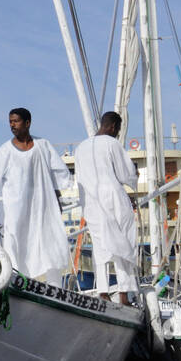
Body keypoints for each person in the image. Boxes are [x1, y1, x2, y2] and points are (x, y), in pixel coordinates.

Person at [0, 108, 72, 280]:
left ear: (27, 123)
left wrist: (57, 197)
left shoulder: (43, 145)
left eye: (16, 121)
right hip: (17, 207)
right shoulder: (5, 151)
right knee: (15, 238)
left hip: (43, 205)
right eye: (10, 121)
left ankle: (54, 283)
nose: (12, 125)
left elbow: (59, 171)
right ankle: (16, 278)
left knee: (49, 238)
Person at [73, 110, 138, 305]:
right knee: (123, 241)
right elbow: (125, 174)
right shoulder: (112, 143)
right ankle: (124, 294)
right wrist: (135, 174)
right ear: (113, 126)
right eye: (117, 129)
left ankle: (102, 292)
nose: (117, 133)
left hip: (91, 202)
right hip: (112, 197)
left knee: (100, 246)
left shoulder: (80, 148)